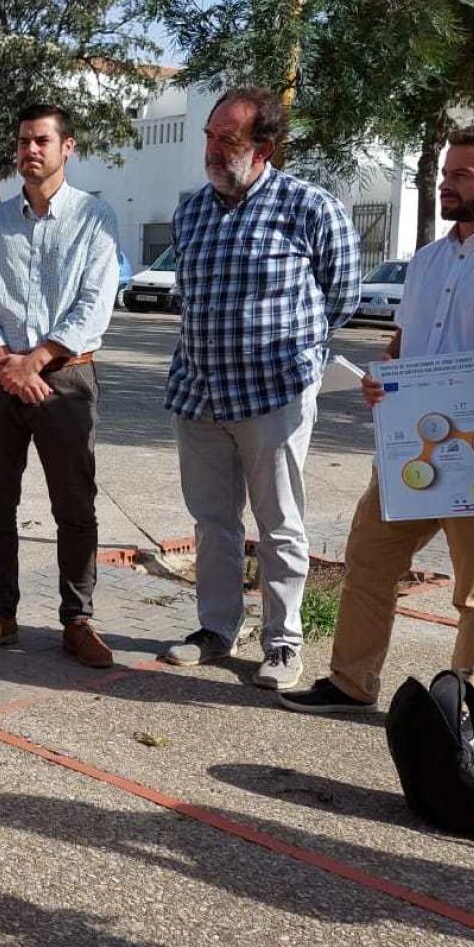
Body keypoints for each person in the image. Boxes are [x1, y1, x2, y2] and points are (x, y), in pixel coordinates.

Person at [282, 121, 474, 714]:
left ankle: (466, 705)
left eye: (462, 174)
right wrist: (383, 378)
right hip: (413, 452)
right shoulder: (429, 260)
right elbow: (407, 345)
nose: (446, 185)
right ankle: (351, 683)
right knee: (368, 560)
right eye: (445, 173)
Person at [159, 87, 362, 690]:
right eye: (210, 136)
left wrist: (297, 352)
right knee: (212, 521)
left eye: (229, 139)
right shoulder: (191, 212)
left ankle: (282, 643)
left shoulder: (309, 208)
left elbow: (343, 295)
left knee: (280, 523)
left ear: (265, 148)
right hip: (198, 395)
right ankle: (216, 630)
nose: (214, 149)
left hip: (274, 396)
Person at [0, 103, 121, 668]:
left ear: (67, 147)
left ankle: (77, 619)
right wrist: (6, 359)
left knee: (74, 504)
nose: (31, 150)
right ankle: (1, 614)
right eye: (24, 140)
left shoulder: (97, 219)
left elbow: (95, 303)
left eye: (42, 141)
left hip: (68, 378)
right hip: (0, 377)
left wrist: (40, 358)